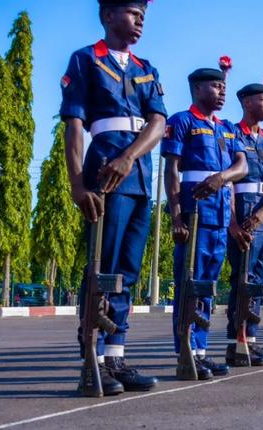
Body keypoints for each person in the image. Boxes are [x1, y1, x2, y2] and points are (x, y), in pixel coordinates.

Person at [60, 0, 165, 394]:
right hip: (104, 174)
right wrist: (77, 185)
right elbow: (73, 125)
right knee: (101, 270)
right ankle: (91, 360)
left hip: (138, 176)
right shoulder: (86, 59)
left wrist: (130, 157)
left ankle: (115, 358)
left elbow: (158, 122)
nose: (140, 21)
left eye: (143, 16)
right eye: (133, 13)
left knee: (128, 272)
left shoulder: (146, 68)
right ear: (107, 15)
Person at [163, 58, 248, 380]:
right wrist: (175, 215)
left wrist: (221, 177)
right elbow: (172, 170)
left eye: (223, 87)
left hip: (220, 216)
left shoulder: (227, 128)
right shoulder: (181, 121)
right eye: (215, 86)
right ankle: (185, 352)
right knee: (190, 285)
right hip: (194, 215)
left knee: (208, 287)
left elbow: (241, 167)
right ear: (197, 89)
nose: (222, 92)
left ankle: (200, 351)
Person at [225, 78, 263, 366]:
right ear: (247, 103)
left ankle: (251, 340)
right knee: (243, 280)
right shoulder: (232, 134)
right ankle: (236, 342)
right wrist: (233, 223)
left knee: (260, 282)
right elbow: (228, 183)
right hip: (243, 213)